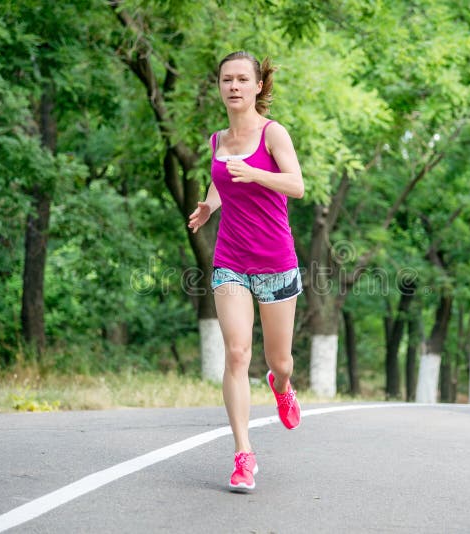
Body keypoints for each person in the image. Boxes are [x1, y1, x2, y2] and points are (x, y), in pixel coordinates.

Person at [188, 51, 304, 492]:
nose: (233, 86)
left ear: (258, 86)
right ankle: (243, 454)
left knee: (279, 359)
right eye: (226, 80)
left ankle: (282, 384)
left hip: (276, 261)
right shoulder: (218, 140)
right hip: (231, 259)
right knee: (237, 354)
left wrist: (256, 175)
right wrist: (209, 204)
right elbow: (222, 178)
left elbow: (297, 184)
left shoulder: (273, 134)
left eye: (242, 79)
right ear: (219, 87)